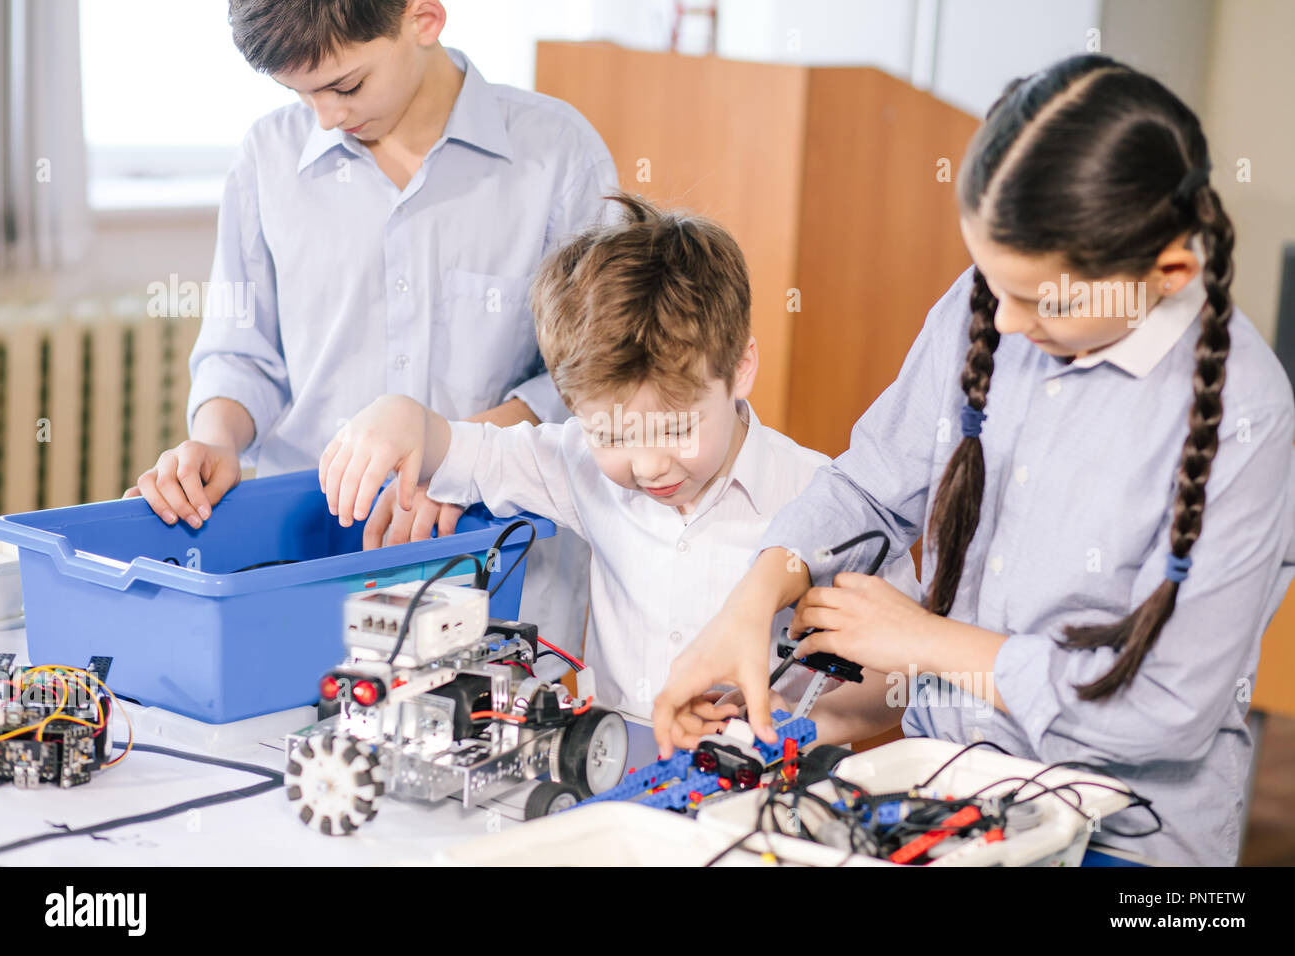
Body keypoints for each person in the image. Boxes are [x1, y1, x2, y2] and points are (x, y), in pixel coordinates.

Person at [651, 55, 1295, 866]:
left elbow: (1167, 707)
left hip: (1129, 841)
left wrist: (926, 641)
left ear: (1167, 273)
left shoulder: (1248, 413)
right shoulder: (985, 301)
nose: (1010, 322)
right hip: (946, 788)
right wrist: (752, 598)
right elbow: (872, 486)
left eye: (1047, 301)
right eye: (995, 283)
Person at [124, 0, 617, 655]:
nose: (325, 117)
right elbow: (241, 353)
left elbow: (606, 374)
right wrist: (216, 441)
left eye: (346, 85)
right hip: (305, 561)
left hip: (492, 558)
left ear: (423, 18)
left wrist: (461, 455)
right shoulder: (268, 157)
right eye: (299, 95)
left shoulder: (557, 154)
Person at [317, 193, 919, 718]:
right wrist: (404, 416)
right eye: (610, 434)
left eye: (675, 428)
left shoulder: (827, 498)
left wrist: (785, 711)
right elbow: (471, 453)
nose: (649, 466)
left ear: (741, 368)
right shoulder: (578, 466)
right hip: (610, 773)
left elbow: (897, 679)